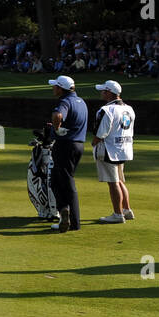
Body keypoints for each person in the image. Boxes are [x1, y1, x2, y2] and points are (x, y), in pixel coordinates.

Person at [46, 75, 88, 233]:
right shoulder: (81, 101)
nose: (53, 88)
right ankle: (64, 210)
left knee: (66, 182)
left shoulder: (64, 101)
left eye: (55, 86)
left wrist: (56, 128)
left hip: (65, 145)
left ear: (61, 88)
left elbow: (58, 115)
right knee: (57, 181)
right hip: (78, 145)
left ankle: (73, 221)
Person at [92, 80, 137, 224]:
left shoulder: (106, 110)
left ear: (109, 93)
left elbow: (101, 133)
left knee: (113, 183)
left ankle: (118, 214)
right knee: (120, 181)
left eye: (103, 91)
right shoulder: (129, 108)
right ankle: (126, 210)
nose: (101, 93)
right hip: (123, 148)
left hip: (109, 149)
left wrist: (94, 143)